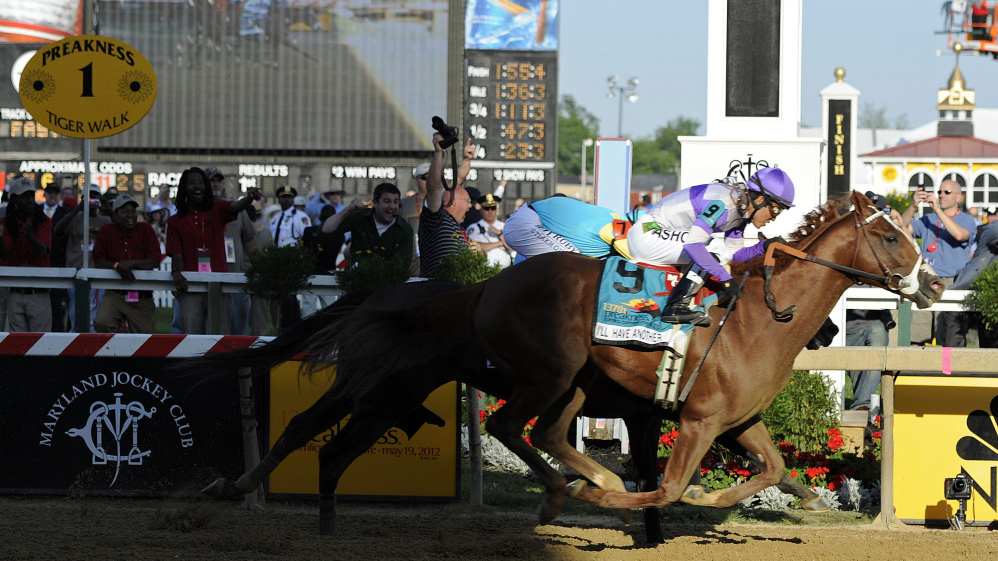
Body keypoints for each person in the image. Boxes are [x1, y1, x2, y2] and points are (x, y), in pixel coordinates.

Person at [626, 167, 797, 325]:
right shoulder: (724, 203)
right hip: (647, 232)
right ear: (760, 199)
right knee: (713, 246)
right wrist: (725, 278)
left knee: (719, 250)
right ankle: (676, 305)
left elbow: (733, 254)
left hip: (661, 233)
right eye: (775, 210)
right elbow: (694, 245)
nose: (774, 218)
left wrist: (764, 246)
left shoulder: (741, 210)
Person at [167, 167, 262, 334]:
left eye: (201, 182)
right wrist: (176, 271)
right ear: (184, 188)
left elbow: (235, 208)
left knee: (218, 334)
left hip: (217, 283)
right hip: (191, 285)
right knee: (191, 334)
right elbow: (176, 253)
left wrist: (249, 198)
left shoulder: (217, 208)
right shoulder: (175, 220)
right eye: (192, 183)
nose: (197, 186)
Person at [900, 179, 976, 345]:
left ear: (958, 198)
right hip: (926, 280)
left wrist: (937, 210)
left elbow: (960, 235)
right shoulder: (929, 219)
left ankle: (948, 371)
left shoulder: (966, 220)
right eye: (940, 191)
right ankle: (915, 369)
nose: (941, 195)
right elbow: (903, 229)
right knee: (918, 333)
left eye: (946, 192)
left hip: (951, 282)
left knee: (949, 336)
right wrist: (913, 205)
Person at [92, 195, 164, 333]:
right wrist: (117, 266)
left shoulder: (145, 229)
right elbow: (98, 260)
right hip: (115, 293)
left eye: (133, 211)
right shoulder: (107, 230)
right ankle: (114, 353)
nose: (130, 215)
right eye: (125, 211)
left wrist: (132, 263)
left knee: (143, 338)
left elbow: (155, 260)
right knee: (102, 322)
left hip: (142, 295)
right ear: (116, 213)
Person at [503, 194, 638, 263]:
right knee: (573, 261)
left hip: (526, 222)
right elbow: (640, 259)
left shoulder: (611, 215)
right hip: (525, 223)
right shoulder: (612, 228)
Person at [419, 133, 477, 277]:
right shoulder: (436, 219)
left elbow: (460, 178)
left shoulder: (460, 229)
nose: (471, 206)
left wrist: (467, 159)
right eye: (468, 202)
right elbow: (433, 189)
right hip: (437, 290)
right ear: (454, 202)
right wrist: (439, 152)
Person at [55, 186, 111, 332]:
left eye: (95, 197)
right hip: (75, 271)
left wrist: (107, 207)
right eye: (89, 198)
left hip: (96, 272)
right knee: (74, 311)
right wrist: (78, 209)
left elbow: (120, 228)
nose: (92, 201)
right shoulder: (74, 218)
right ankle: (75, 343)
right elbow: (57, 230)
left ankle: (90, 344)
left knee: (94, 313)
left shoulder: (105, 220)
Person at [0, 177, 52, 332]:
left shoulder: (43, 221)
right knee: (17, 345)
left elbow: (43, 251)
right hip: (16, 291)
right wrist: (0, 237)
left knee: (41, 343)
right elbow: (6, 256)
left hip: (39, 291)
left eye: (31, 195)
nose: (30, 200)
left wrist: (30, 236)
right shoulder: (6, 222)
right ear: (14, 199)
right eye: (25, 196)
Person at [320, 182, 412, 267]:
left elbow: (403, 266)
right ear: (375, 203)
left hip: (388, 284)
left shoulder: (405, 229)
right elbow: (326, 230)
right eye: (387, 201)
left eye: (396, 202)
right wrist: (347, 210)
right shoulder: (359, 218)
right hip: (356, 282)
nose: (392, 207)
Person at [951, 217, 998, 348]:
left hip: (988, 296)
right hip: (962, 292)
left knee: (991, 350)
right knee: (953, 344)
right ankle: (949, 369)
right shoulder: (993, 228)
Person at [844, 309, 894, 410]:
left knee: (877, 356)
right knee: (859, 381)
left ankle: (862, 406)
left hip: (874, 323)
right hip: (846, 331)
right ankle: (863, 405)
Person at [301, 205, 344, 315]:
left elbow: (303, 250)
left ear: (320, 217)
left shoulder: (308, 231)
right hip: (328, 274)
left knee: (308, 310)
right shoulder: (339, 236)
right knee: (329, 310)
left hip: (310, 274)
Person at [43, 184, 71, 331]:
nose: (52, 196)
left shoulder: (65, 213)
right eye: (50, 193)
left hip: (58, 263)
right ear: (45, 194)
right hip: (40, 263)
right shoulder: (36, 212)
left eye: (55, 193)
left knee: (58, 303)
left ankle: (59, 334)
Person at [465, 193, 512, 268]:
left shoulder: (504, 226)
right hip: (485, 270)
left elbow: (511, 246)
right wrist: (500, 243)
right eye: (487, 208)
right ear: (481, 209)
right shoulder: (474, 228)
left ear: (497, 209)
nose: (490, 211)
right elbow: (476, 246)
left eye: (493, 208)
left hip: (506, 270)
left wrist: (499, 233)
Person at [400, 163, 430, 275]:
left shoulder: (444, 202)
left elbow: (459, 179)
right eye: (424, 178)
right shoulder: (403, 204)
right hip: (411, 270)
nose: (429, 181)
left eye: (432, 177)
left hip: (437, 270)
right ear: (416, 180)